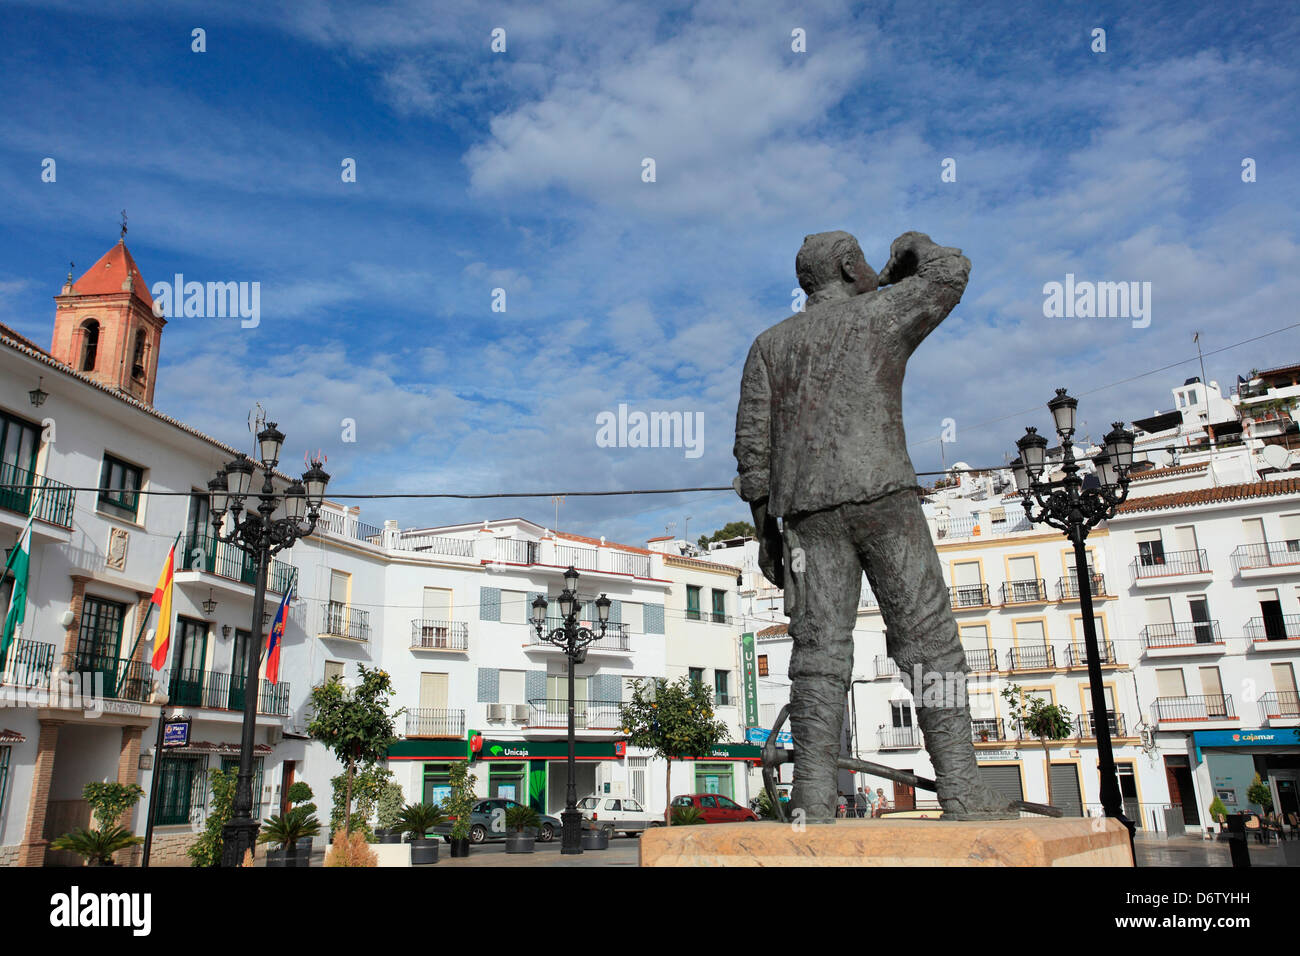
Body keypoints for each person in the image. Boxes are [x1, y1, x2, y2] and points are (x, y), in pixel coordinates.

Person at [734, 229, 1014, 823]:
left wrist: (767, 533)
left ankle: (811, 798)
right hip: (883, 496)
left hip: (806, 514)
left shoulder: (769, 344)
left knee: (817, 652)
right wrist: (909, 246)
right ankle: (963, 791)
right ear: (845, 264)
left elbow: (751, 454)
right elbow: (950, 272)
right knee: (930, 642)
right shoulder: (878, 313)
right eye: (859, 259)